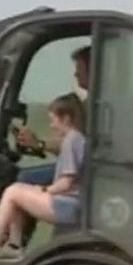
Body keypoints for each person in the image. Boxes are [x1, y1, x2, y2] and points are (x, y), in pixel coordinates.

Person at [0, 93, 87, 262]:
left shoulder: (72, 141)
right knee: (20, 187)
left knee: (12, 192)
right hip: (71, 203)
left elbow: (66, 182)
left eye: (53, 120)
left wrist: (44, 189)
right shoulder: (78, 139)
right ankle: (14, 245)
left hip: (66, 206)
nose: (51, 126)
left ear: (66, 118)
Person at [13, 44, 90, 186]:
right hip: (85, 170)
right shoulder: (90, 103)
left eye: (79, 69)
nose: (75, 74)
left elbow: (73, 144)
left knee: (23, 179)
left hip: (86, 174)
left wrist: (38, 144)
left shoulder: (93, 107)